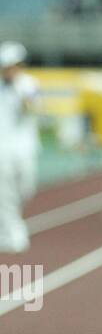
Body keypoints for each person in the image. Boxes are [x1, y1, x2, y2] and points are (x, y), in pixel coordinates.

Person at [0, 41, 39, 254]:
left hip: (25, 149)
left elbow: (30, 106)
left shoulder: (29, 84)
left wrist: (19, 93)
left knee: (26, 188)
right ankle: (13, 232)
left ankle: (11, 225)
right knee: (4, 193)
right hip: (2, 151)